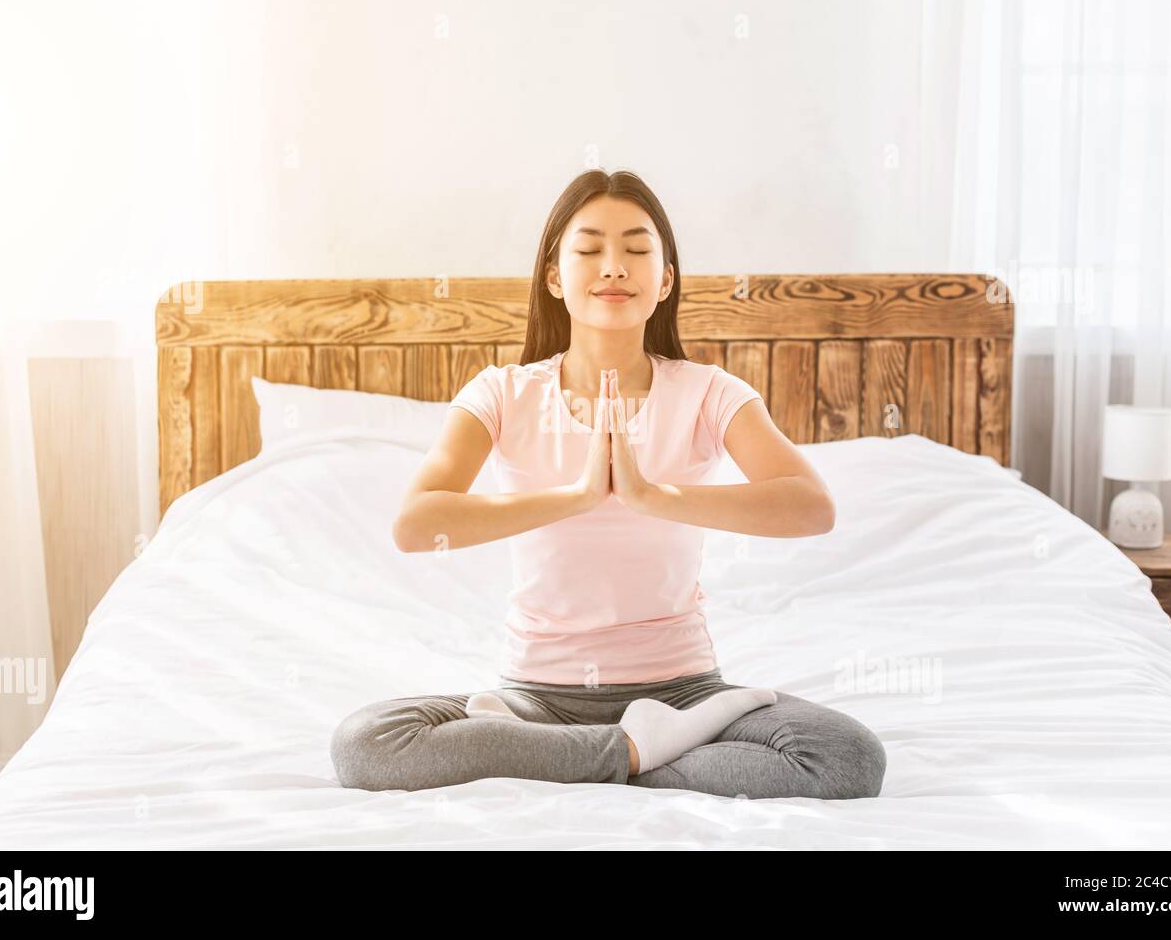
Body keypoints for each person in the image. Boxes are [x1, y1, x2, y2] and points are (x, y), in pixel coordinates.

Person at [330, 169, 887, 800]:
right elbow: (415, 525)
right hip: (537, 699)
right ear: (553, 276)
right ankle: (638, 752)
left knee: (846, 757)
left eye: (638, 250)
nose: (614, 267)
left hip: (684, 692)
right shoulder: (502, 394)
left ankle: (588, 757)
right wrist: (576, 496)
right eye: (590, 249)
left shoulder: (708, 392)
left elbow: (811, 507)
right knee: (367, 742)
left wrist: (656, 497)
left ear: (667, 278)